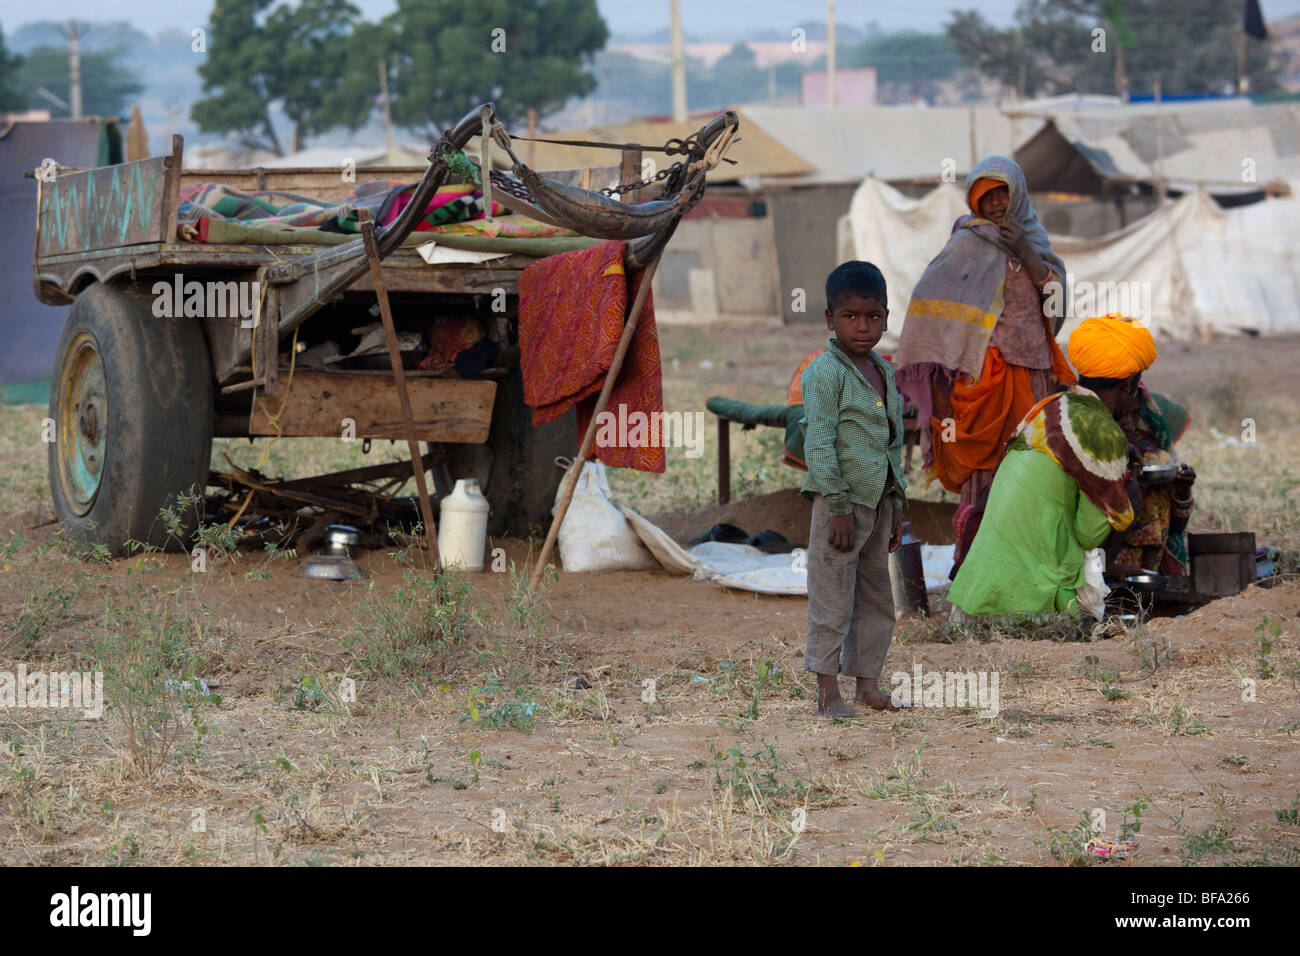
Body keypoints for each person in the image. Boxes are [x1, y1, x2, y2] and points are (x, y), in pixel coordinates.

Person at [894, 156, 1076, 570]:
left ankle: (1032, 566)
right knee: (988, 472)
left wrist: (1027, 254)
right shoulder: (965, 241)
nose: (994, 204)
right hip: (985, 378)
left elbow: (1057, 306)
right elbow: (931, 298)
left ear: (1017, 196)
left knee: (1033, 464)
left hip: (1034, 375)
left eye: (1002, 193)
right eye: (986, 196)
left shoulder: (1035, 241)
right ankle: (978, 565)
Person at [946, 315, 1156, 618]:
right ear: (1130, 385)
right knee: (1128, 498)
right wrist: (1126, 491)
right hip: (1029, 607)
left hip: (974, 597)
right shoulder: (1102, 430)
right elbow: (1088, 536)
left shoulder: (1049, 405)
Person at [799, 261, 907, 717]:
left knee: (876, 597)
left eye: (873, 316)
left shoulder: (886, 371)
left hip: (879, 502)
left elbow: (893, 445)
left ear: (885, 316)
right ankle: (827, 692)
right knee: (832, 596)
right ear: (830, 319)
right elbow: (819, 441)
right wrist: (839, 507)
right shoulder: (827, 373)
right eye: (850, 317)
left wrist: (897, 509)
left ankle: (868, 684)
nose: (863, 327)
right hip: (839, 505)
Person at [1114, 379, 1196, 576]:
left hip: (1151, 561)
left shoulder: (1157, 459)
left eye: (1134, 415)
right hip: (1111, 561)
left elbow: (1177, 527)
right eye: (1120, 415)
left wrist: (1183, 492)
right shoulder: (1098, 456)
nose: (1129, 425)